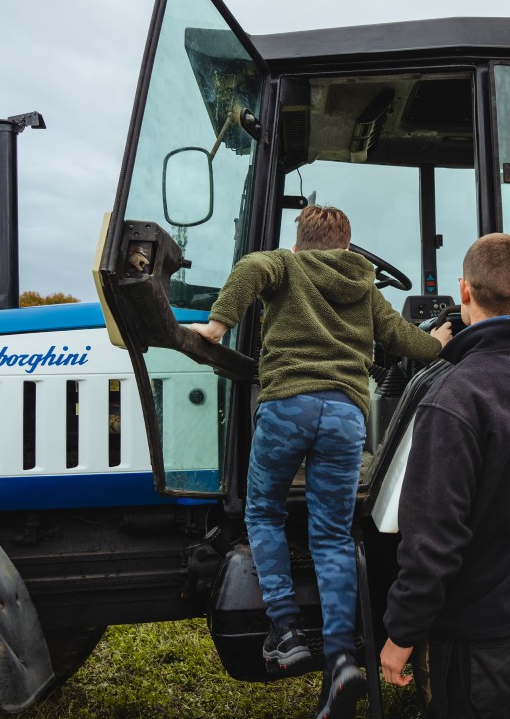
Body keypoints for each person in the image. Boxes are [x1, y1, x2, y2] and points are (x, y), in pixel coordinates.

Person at [189, 205, 451, 719]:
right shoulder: (364, 284)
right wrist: (436, 342)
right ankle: (341, 658)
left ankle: (286, 630)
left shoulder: (285, 265)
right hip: (345, 417)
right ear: (347, 247)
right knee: (331, 535)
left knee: (263, 512)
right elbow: (402, 340)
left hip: (288, 406)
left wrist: (216, 327)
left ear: (298, 242)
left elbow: (250, 267)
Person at [379, 232, 510, 719]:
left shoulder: (454, 400)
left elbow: (434, 540)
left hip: (484, 639)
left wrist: (401, 635)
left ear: (464, 290)